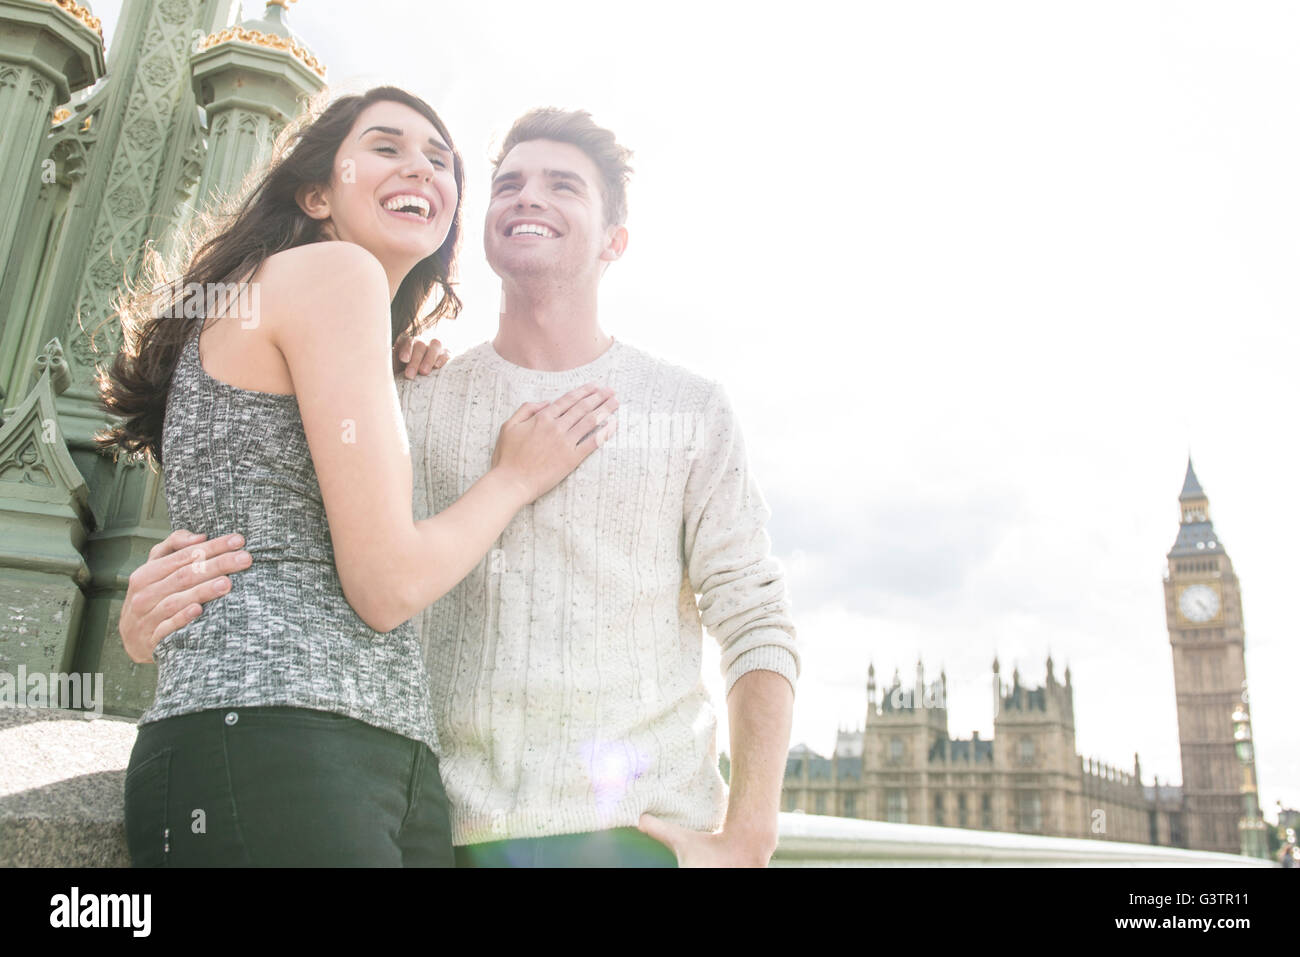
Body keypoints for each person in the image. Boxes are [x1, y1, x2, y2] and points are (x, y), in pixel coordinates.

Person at [119, 108, 798, 868]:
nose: (527, 197)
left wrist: (749, 834)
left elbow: (755, 615)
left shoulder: (689, 407)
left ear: (616, 240)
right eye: (507, 183)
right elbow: (294, 520)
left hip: (632, 838)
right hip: (441, 829)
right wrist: (154, 603)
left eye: (562, 185)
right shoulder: (410, 395)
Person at [97, 87, 619, 867]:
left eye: (441, 160)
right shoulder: (333, 272)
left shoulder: (317, 310)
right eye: (387, 146)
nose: (422, 167)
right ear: (316, 192)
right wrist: (514, 476)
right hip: (282, 746)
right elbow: (384, 582)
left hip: (348, 749)